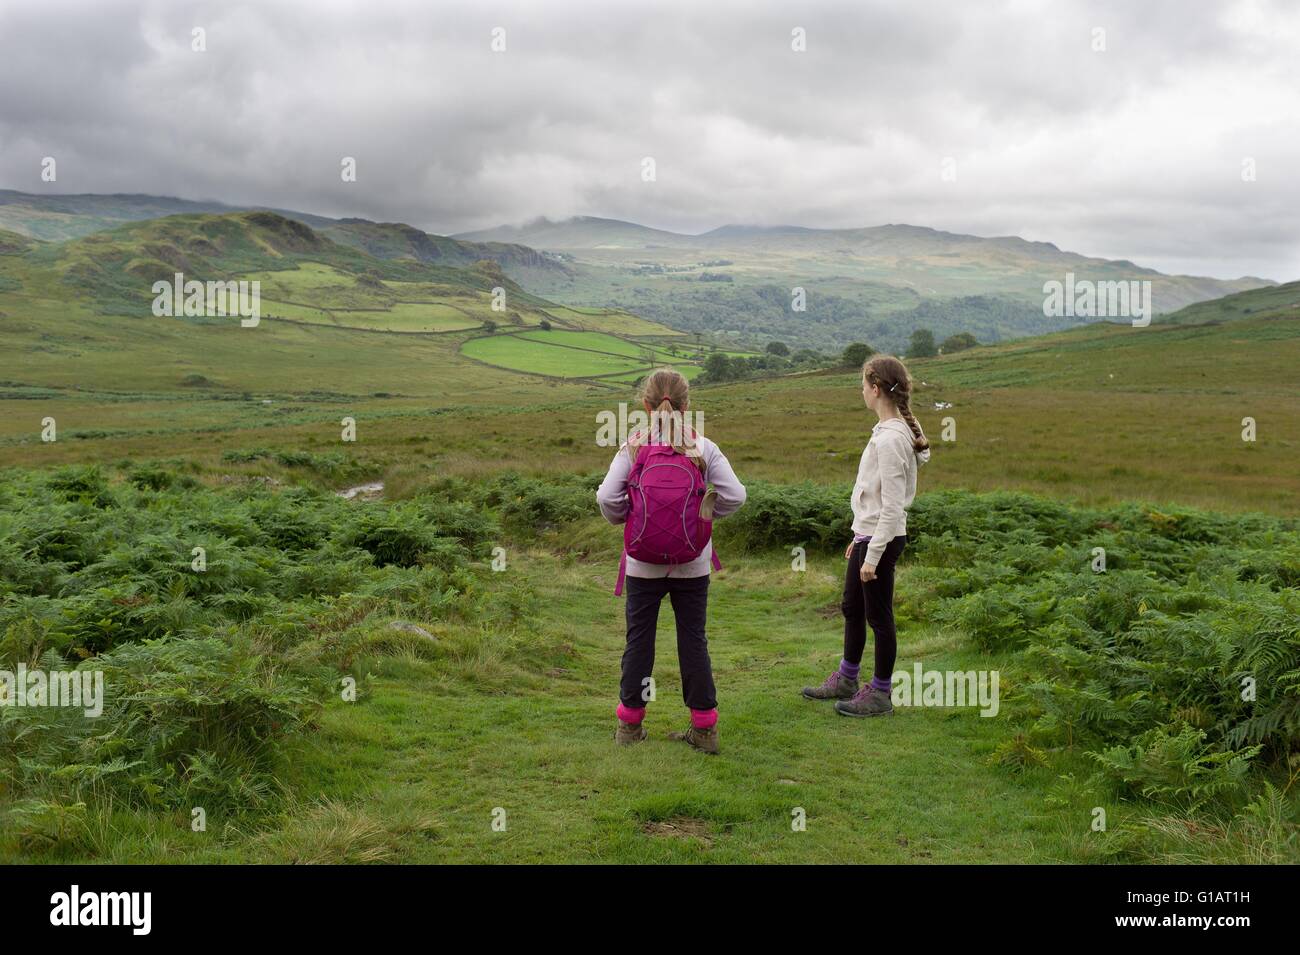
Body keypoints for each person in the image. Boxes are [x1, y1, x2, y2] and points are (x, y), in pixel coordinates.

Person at [596, 368, 746, 753]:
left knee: (639, 640)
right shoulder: (703, 447)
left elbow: (606, 499)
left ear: (646, 406)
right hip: (692, 563)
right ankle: (705, 729)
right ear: (687, 405)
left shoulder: (632, 446)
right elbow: (736, 495)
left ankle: (629, 727)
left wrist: (627, 520)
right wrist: (704, 520)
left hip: (642, 563)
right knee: (693, 639)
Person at [802, 355, 930, 717]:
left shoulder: (891, 439)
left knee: (879, 616)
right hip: (869, 534)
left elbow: (892, 508)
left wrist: (872, 555)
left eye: (862, 385)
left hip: (882, 538)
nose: (861, 391)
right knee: (851, 607)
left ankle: (881, 693)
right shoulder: (893, 430)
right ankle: (847, 678)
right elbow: (875, 499)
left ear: (875, 389)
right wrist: (859, 535)